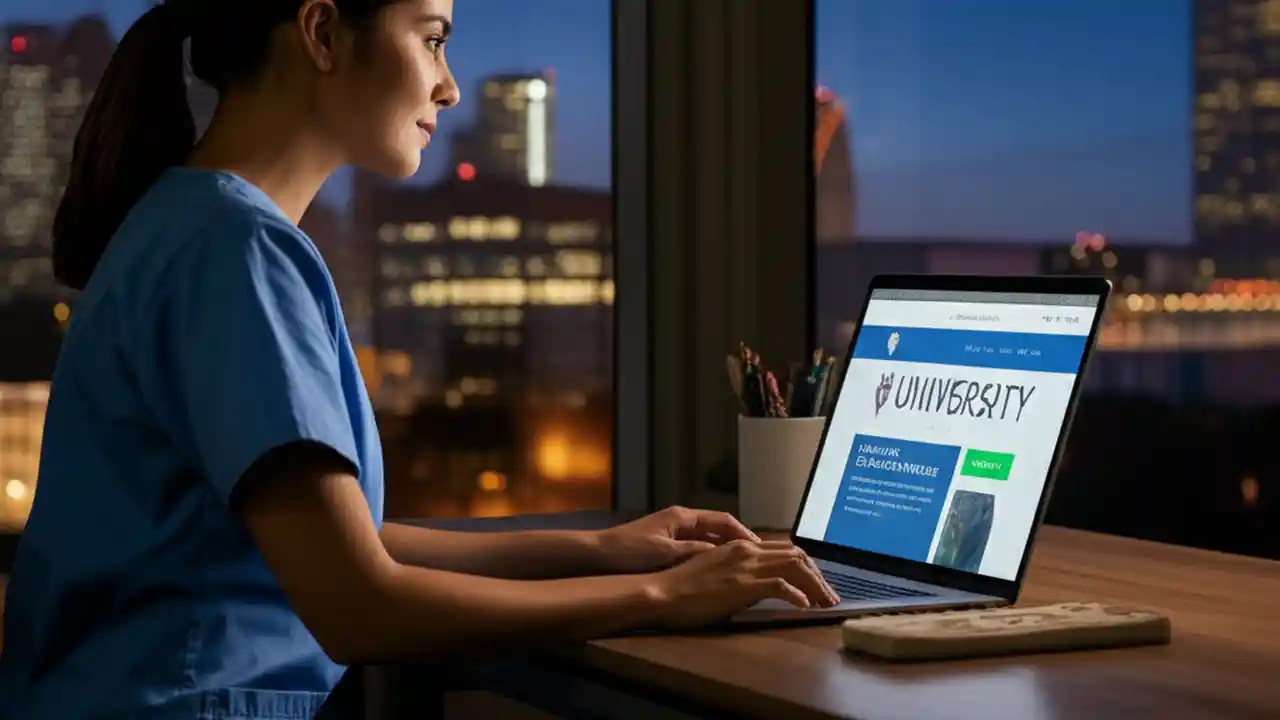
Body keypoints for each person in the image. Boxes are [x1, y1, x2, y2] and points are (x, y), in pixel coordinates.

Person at [0, 1, 838, 717]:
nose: (449, 84)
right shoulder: (236, 251)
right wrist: (662, 598)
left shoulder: (192, 226)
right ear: (324, 33)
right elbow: (359, 606)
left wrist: (609, 549)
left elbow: (343, 544)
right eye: (432, 37)